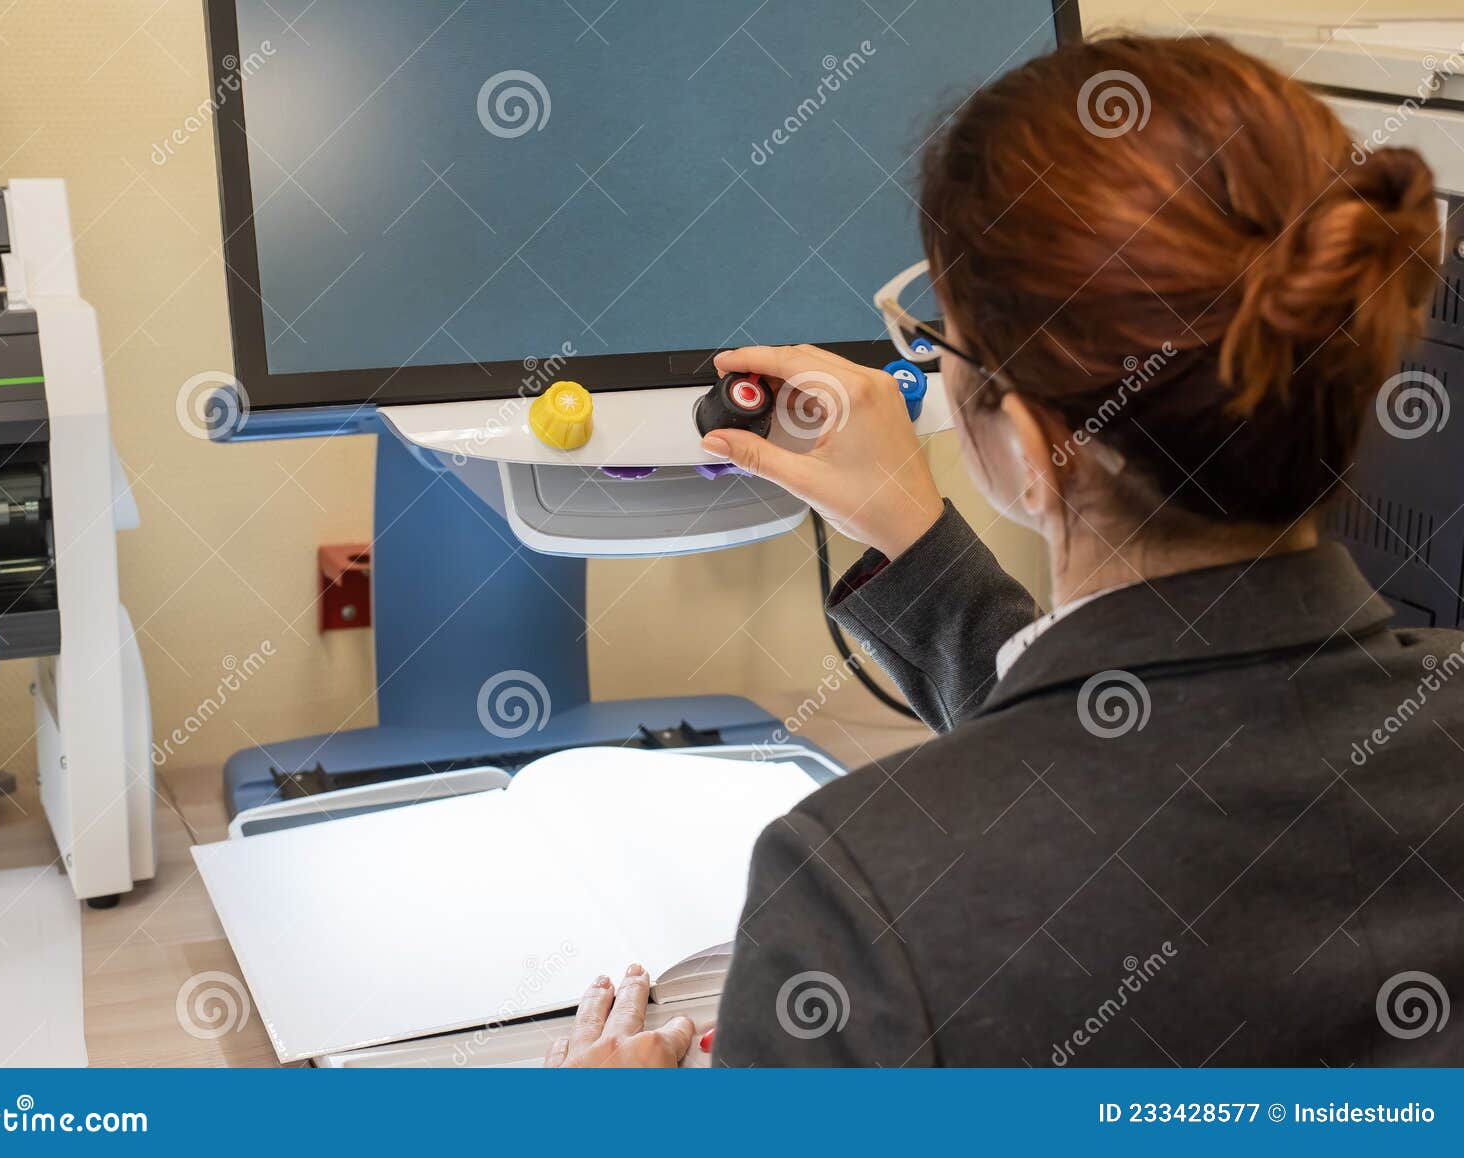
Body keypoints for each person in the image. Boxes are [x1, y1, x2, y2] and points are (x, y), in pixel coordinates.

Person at [544, 34, 1463, 1068]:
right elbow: (1145, 762)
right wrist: (912, 534)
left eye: (936, 334)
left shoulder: (863, 895)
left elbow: (1095, 805)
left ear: (1032, 447)